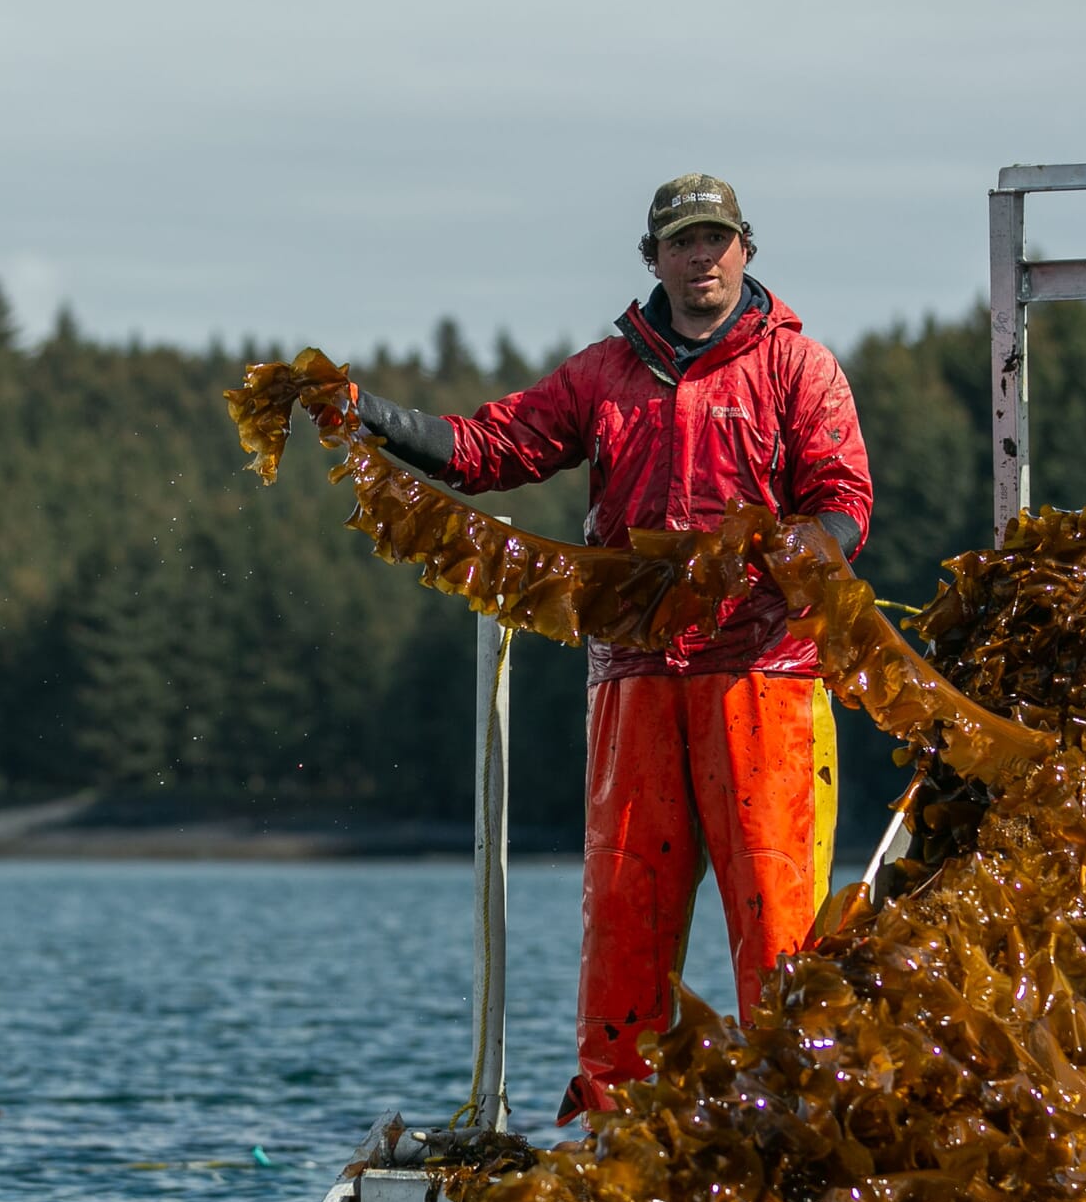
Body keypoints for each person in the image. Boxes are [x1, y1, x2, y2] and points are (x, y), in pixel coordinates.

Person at [349, 174, 873, 1119]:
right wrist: (372, 416)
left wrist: (798, 550)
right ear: (653, 259)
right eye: (681, 242)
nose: (700, 257)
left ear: (746, 249)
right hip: (633, 676)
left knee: (780, 916)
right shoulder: (603, 375)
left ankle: (795, 1118)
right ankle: (611, 1127)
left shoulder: (799, 368)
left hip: (766, 674)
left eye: (715, 239)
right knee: (624, 915)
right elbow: (489, 448)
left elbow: (844, 501)